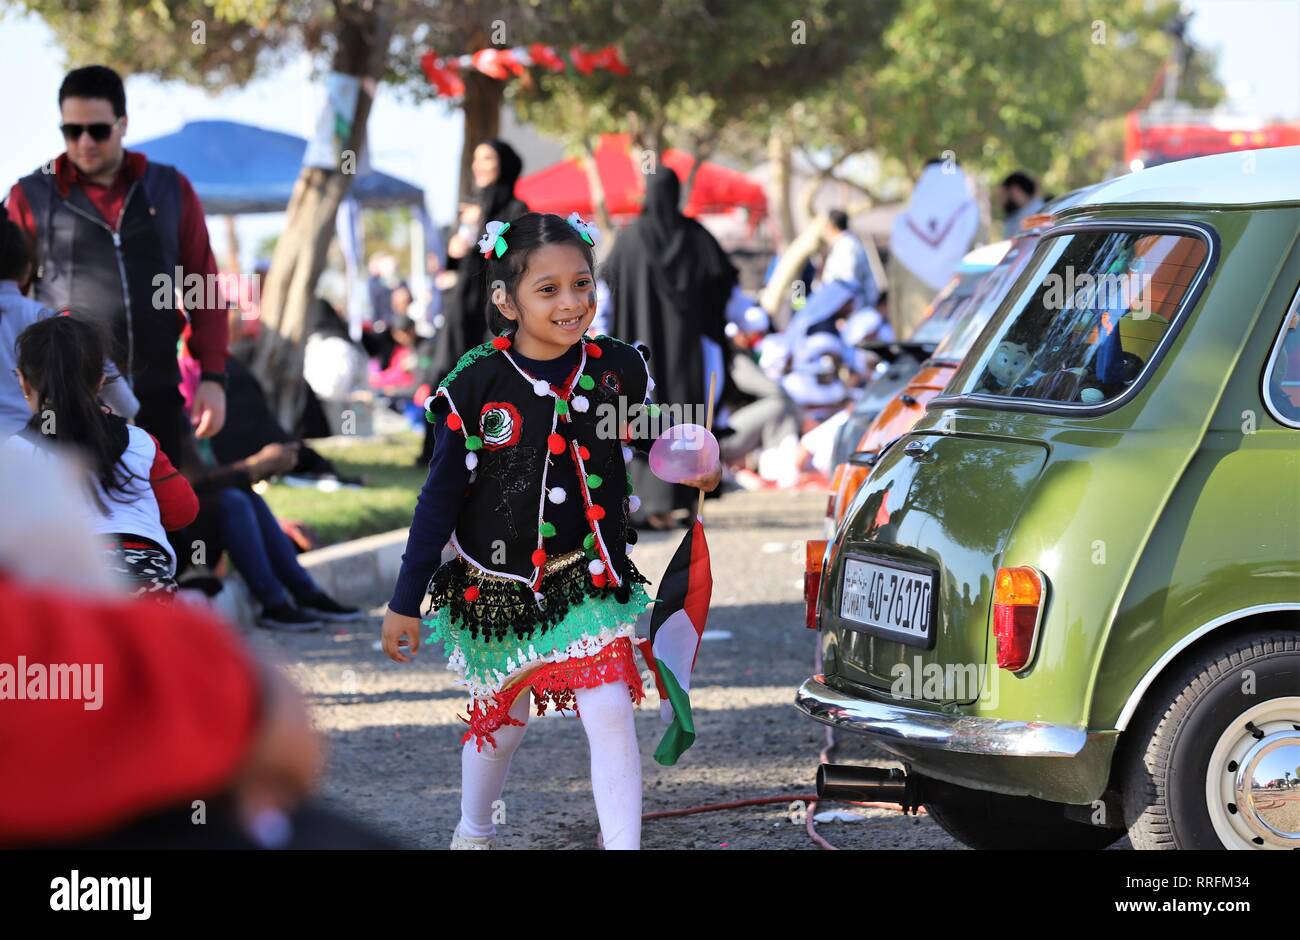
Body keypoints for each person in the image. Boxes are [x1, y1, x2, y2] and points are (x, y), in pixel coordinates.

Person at [381, 212, 721, 851]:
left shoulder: (615, 366)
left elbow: (641, 430)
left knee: (610, 710)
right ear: (506, 298)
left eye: (583, 285)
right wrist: (405, 601)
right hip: (498, 588)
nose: (572, 303)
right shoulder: (474, 385)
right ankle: (473, 830)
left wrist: (692, 452)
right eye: (548, 289)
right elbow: (438, 500)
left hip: (590, 578)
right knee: (502, 725)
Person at [5, 65, 228, 465]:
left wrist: (213, 377)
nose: (84, 142)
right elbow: (9, 296)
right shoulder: (32, 195)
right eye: (72, 131)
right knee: (80, 527)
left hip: (160, 395)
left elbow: (203, 286)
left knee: (166, 519)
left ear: (123, 124)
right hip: (70, 408)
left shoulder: (170, 189)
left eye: (98, 130)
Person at [4, 316, 197, 598]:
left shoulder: (18, 451)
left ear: (23, 383)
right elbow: (184, 510)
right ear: (100, 382)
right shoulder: (140, 441)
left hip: (69, 589)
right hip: (148, 582)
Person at [604, 168, 737, 529]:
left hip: (639, 350)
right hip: (686, 352)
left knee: (643, 414)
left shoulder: (629, 241)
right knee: (682, 415)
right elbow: (724, 282)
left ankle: (648, 504)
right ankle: (688, 499)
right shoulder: (695, 236)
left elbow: (607, 288)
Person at [180, 430, 363, 631]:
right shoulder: (164, 407)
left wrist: (275, 458)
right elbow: (193, 485)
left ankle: (305, 592)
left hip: (197, 530)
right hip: (179, 539)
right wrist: (253, 466)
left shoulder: (198, 412)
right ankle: (274, 604)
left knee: (247, 495)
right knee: (234, 501)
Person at [421, 141, 530, 466]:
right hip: (462, 308)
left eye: (488, 158)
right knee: (449, 372)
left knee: (494, 374)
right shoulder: (469, 208)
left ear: (504, 165)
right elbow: (455, 263)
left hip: (496, 308)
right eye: (476, 158)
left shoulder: (517, 209)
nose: (479, 165)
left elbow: (516, 259)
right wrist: (456, 248)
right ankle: (442, 449)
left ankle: (492, 448)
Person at [0, 210, 138, 438]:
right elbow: (100, 362)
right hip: (36, 444)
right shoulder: (43, 317)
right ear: (27, 270)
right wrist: (129, 413)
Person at [888, 158, 979, 339]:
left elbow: (895, 287)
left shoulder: (902, 227)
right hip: (960, 329)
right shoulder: (971, 220)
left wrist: (897, 335)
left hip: (914, 329)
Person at [821, 209, 879, 308]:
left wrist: (844, 311)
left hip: (851, 311)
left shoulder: (847, 247)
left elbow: (848, 282)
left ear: (831, 226)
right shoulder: (844, 245)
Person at [998, 170, 1044, 237]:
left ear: (1015, 190)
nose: (1001, 201)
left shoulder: (1038, 213)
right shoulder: (1015, 216)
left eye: (1003, 195)